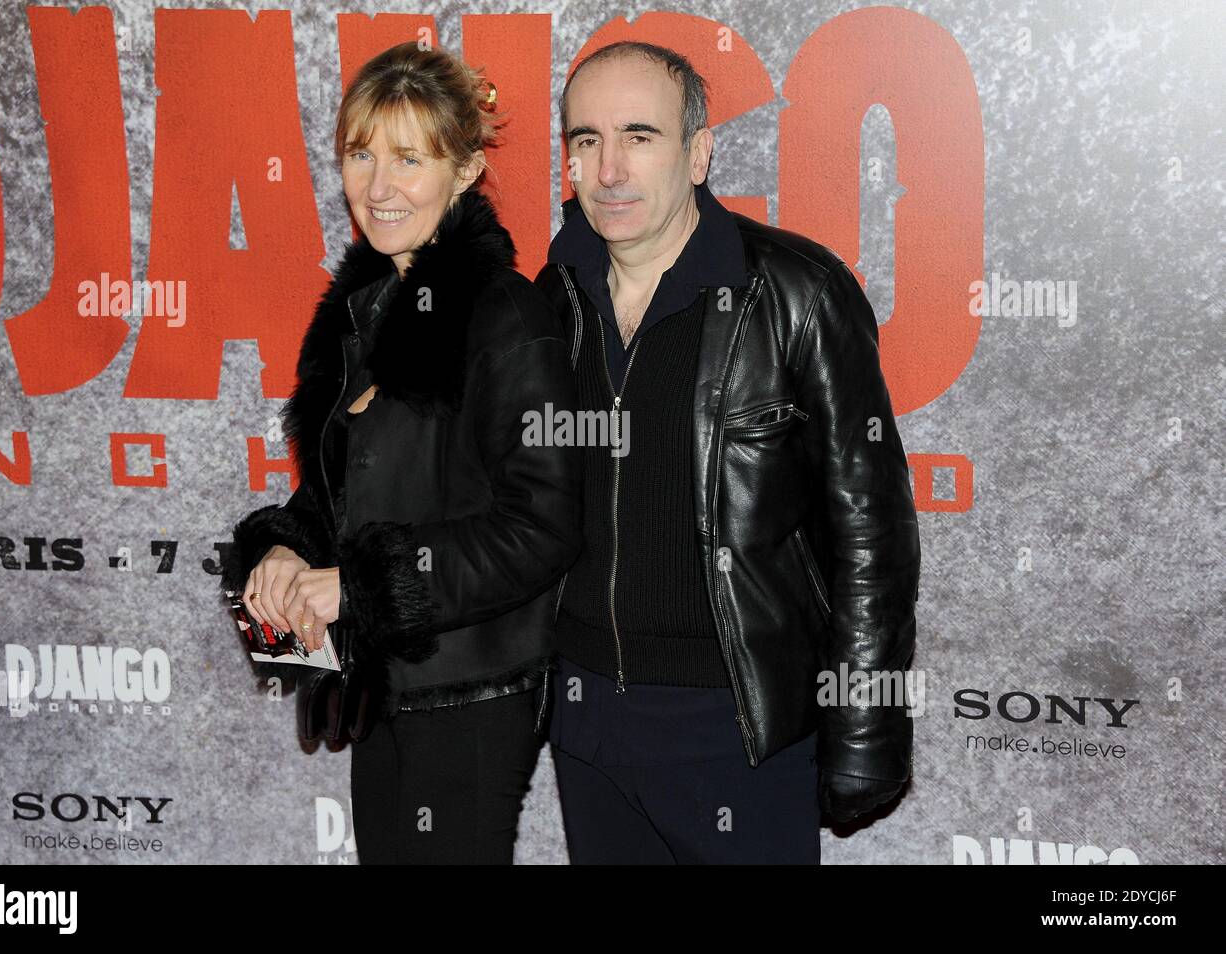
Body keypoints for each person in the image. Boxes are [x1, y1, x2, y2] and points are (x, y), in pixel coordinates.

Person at [533, 41, 922, 864]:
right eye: (585, 139)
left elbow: (870, 530)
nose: (609, 169)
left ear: (699, 152)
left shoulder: (796, 292)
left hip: (738, 727)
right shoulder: (552, 295)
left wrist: (864, 724)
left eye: (640, 136)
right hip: (585, 717)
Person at [221, 42, 581, 864]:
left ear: (464, 169)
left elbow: (543, 528)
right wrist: (285, 547)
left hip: (469, 697)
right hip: (382, 681)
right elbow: (350, 494)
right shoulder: (363, 309)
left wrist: (366, 586)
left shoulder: (506, 320)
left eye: (409, 158)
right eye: (360, 154)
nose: (378, 188)